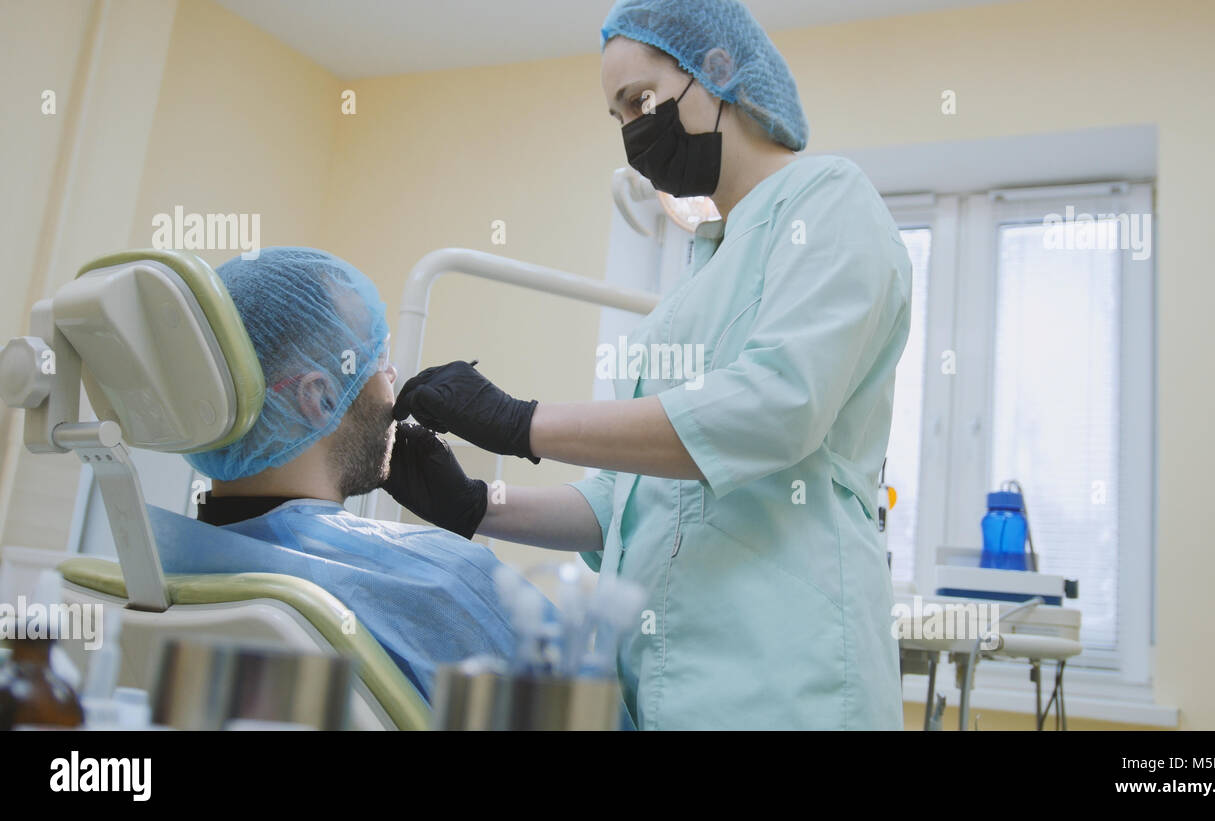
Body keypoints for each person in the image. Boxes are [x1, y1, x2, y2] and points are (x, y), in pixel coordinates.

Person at [385, 0, 912, 729]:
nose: (635, 131)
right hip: (658, 690)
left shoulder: (827, 202)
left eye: (641, 100)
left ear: (718, 72)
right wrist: (478, 504)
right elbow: (624, 503)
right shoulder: (697, 279)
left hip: (789, 685)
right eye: (618, 116)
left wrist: (519, 423)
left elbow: (775, 407)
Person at [179, 246, 540, 701]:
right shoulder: (439, 581)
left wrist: (477, 503)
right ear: (321, 398)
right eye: (378, 359)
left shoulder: (155, 567)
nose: (393, 377)